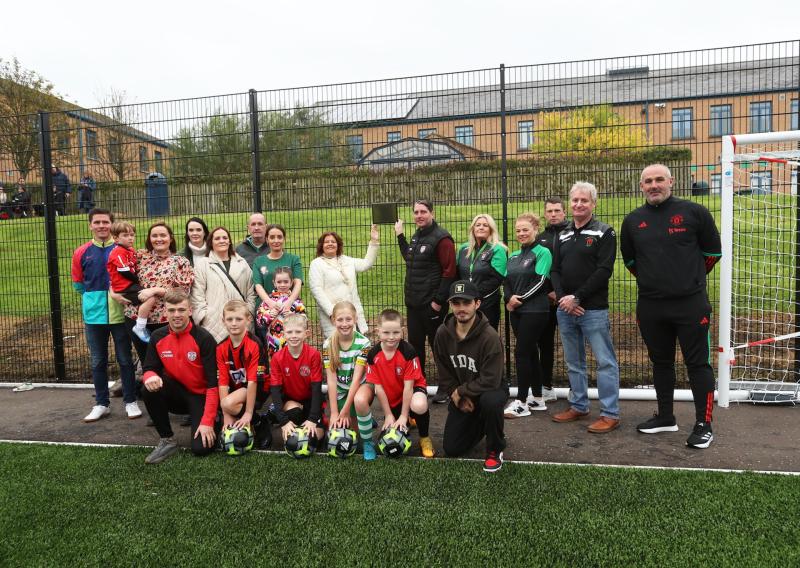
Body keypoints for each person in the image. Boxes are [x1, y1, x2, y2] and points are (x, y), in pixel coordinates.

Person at [621, 164, 722, 449]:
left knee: (698, 364)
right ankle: (665, 417)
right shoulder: (632, 221)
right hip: (651, 307)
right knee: (661, 363)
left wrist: (686, 280)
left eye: (659, 180)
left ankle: (704, 424)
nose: (654, 185)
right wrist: (657, 282)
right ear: (641, 186)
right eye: (648, 181)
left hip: (691, 305)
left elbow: (713, 253)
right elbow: (631, 262)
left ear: (671, 182)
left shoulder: (695, 212)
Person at [550, 181, 620, 434]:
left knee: (605, 362)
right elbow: (555, 270)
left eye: (584, 200)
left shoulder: (605, 232)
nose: (579, 204)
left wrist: (577, 298)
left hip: (593, 310)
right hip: (566, 310)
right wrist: (563, 299)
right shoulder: (563, 234)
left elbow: (604, 271)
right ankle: (578, 405)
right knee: (574, 362)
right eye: (575, 200)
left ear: (594, 204)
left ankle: (610, 413)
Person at [71, 208, 140, 422]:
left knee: (125, 360)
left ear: (112, 225)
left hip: (120, 314)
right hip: (94, 316)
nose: (101, 226)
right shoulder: (81, 252)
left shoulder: (125, 250)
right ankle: (101, 403)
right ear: (90, 225)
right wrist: (95, 301)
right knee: (98, 361)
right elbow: (78, 284)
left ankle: (131, 401)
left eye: (105, 222)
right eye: (97, 222)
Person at [433, 280, 506, 473]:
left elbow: (491, 379)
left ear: (477, 304)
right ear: (450, 305)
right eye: (456, 303)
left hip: (491, 387)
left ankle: (495, 448)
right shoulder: (442, 333)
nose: (461, 308)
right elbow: (444, 371)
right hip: (463, 390)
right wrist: (457, 395)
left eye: (466, 303)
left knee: (490, 402)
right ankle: (484, 424)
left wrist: (460, 391)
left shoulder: (489, 336)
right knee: (452, 448)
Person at [141, 290, 220, 464]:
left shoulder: (204, 338)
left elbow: (214, 384)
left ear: (190, 311)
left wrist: (207, 421)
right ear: (165, 312)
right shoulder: (157, 336)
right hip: (176, 394)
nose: (176, 315)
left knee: (201, 448)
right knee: (148, 387)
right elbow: (149, 368)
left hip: (201, 397)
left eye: (181, 310)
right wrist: (150, 376)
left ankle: (215, 419)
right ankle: (167, 440)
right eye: (172, 310)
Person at [394, 199, 456, 403]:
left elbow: (449, 271)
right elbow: (411, 259)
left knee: (439, 347)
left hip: (432, 304)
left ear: (432, 213)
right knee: (416, 347)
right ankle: (419, 386)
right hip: (414, 304)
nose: (419, 215)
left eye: (423, 212)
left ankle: (447, 388)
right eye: (416, 212)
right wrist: (400, 236)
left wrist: (438, 301)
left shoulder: (442, 238)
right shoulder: (416, 236)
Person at [362, 309, 435, 458]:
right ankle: (408, 419)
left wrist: (403, 415)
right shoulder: (373, 355)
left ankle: (424, 437)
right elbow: (379, 389)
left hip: (412, 391)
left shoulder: (408, 352)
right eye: (386, 333)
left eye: (395, 332)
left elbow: (409, 388)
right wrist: (388, 415)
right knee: (396, 426)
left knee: (419, 406)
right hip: (392, 396)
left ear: (402, 331)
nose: (391, 337)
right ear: (378, 331)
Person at [120, 222, 194, 366]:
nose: (158, 239)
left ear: (170, 238)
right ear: (149, 239)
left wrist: (155, 290)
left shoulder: (180, 261)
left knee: (168, 364)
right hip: (135, 318)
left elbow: (182, 292)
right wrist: (114, 293)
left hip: (165, 320)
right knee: (146, 361)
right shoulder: (139, 257)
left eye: (163, 235)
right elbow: (117, 273)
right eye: (154, 236)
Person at [503, 213, 553, 418]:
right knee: (530, 352)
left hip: (535, 310)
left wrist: (519, 299)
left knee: (521, 352)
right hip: (516, 311)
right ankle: (538, 398)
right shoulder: (514, 255)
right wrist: (509, 299)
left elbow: (541, 282)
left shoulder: (543, 252)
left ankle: (521, 402)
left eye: (525, 229)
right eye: (518, 230)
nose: (521, 233)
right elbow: (506, 281)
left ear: (535, 229)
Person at [216, 300, 271, 449]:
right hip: (237, 389)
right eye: (229, 319)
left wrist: (248, 413)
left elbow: (253, 382)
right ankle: (250, 420)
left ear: (248, 320)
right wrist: (226, 415)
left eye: (239, 319)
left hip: (259, 387)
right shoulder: (221, 347)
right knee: (223, 403)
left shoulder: (254, 344)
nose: (234, 323)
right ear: (223, 321)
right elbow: (222, 382)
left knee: (228, 403)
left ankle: (258, 421)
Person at [308, 226, 380, 339]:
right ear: (321, 245)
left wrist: (374, 240)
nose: (330, 244)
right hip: (333, 316)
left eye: (333, 241)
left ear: (338, 245)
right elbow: (316, 289)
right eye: (326, 242)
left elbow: (366, 263)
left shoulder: (346, 260)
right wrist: (332, 313)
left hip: (352, 312)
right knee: (337, 348)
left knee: (357, 348)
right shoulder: (317, 264)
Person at [190, 226, 256, 344]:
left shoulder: (242, 263)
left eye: (225, 237)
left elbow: (251, 291)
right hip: (213, 323)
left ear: (229, 241)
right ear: (211, 242)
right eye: (217, 238)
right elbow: (196, 295)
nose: (222, 240)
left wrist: (249, 311)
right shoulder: (203, 265)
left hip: (240, 320)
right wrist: (204, 316)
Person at [323, 301, 372, 458]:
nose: (345, 324)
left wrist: (344, 412)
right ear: (333, 321)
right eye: (340, 320)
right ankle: (362, 418)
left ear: (356, 319)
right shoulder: (327, 345)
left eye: (348, 319)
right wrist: (334, 412)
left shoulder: (364, 343)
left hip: (360, 387)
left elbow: (357, 379)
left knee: (358, 408)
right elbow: (331, 381)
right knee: (339, 431)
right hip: (340, 390)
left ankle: (369, 442)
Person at [269, 313, 326, 448]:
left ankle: (309, 422)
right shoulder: (277, 358)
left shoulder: (314, 355)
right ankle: (277, 417)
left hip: (311, 402)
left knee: (314, 439)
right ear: (283, 334)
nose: (294, 335)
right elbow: (275, 391)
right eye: (289, 332)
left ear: (306, 333)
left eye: (298, 332)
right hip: (291, 402)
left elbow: (317, 389)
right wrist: (284, 422)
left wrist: (312, 419)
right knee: (293, 437)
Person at [536, 197, 569, 402]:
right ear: (545, 214)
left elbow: (575, 266)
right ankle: (546, 386)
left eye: (557, 210)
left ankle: (576, 388)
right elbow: (537, 269)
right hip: (546, 301)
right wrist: (549, 291)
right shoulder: (540, 238)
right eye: (550, 211)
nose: (553, 214)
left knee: (571, 346)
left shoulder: (572, 234)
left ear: (564, 212)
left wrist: (562, 293)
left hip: (568, 301)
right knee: (545, 345)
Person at [106, 221, 159, 343]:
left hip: (128, 285)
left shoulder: (128, 250)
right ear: (115, 238)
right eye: (125, 235)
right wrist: (137, 279)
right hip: (124, 286)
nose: (130, 238)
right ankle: (139, 327)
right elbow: (124, 270)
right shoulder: (118, 251)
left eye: (132, 234)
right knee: (150, 297)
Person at [455, 213, 508, 330]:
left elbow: (497, 279)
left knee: (486, 339)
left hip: (487, 303)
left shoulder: (497, 249)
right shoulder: (463, 249)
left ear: (491, 229)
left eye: (485, 225)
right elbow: (457, 274)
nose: (481, 227)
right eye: (478, 225)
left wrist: (473, 295)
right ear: (473, 228)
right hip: (465, 304)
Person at [252, 224, 303, 337]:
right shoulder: (259, 261)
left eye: (279, 237)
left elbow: (298, 283)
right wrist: (271, 304)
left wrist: (288, 303)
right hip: (267, 312)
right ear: (267, 239)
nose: (276, 240)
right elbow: (258, 285)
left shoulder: (294, 259)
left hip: (289, 311)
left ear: (284, 239)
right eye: (272, 237)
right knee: (268, 347)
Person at [255, 266, 306, 356]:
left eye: (286, 282)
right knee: (276, 364)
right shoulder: (268, 301)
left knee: (293, 361)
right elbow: (259, 320)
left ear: (291, 283)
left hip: (293, 340)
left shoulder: (296, 301)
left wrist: (293, 316)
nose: (282, 285)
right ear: (274, 283)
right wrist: (269, 315)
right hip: (274, 341)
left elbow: (304, 319)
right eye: (279, 282)